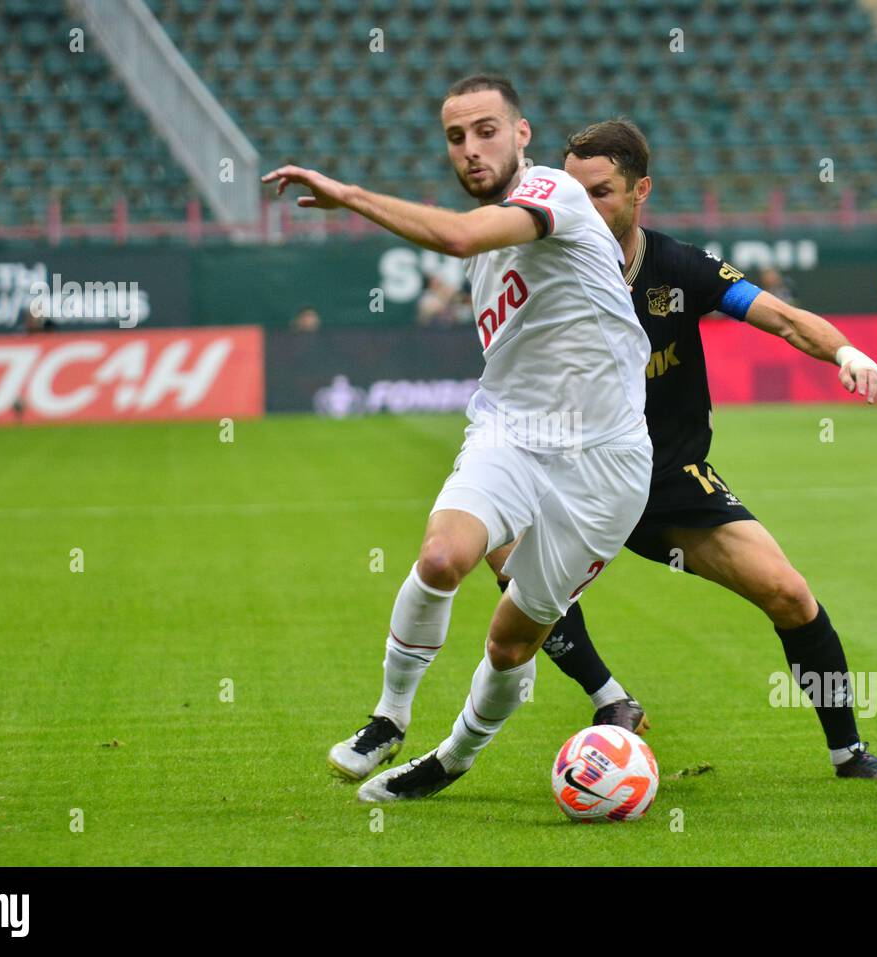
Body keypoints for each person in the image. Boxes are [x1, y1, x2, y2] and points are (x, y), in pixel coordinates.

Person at [264, 73, 654, 802]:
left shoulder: (554, 194)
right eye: (455, 137)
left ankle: (452, 757)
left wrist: (347, 196)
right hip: (511, 431)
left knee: (510, 644)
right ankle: (388, 716)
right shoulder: (485, 258)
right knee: (443, 556)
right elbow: (470, 248)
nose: (471, 150)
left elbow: (455, 232)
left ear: (521, 133)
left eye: (485, 131)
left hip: (604, 463)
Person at [483, 117, 877, 780]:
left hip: (666, 481)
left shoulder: (678, 268)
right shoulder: (542, 265)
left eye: (601, 192)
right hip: (567, 472)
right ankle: (609, 698)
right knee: (497, 540)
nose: (583, 206)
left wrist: (845, 350)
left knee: (790, 595)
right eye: (573, 189)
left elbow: (784, 317)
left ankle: (849, 752)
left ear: (639, 191)